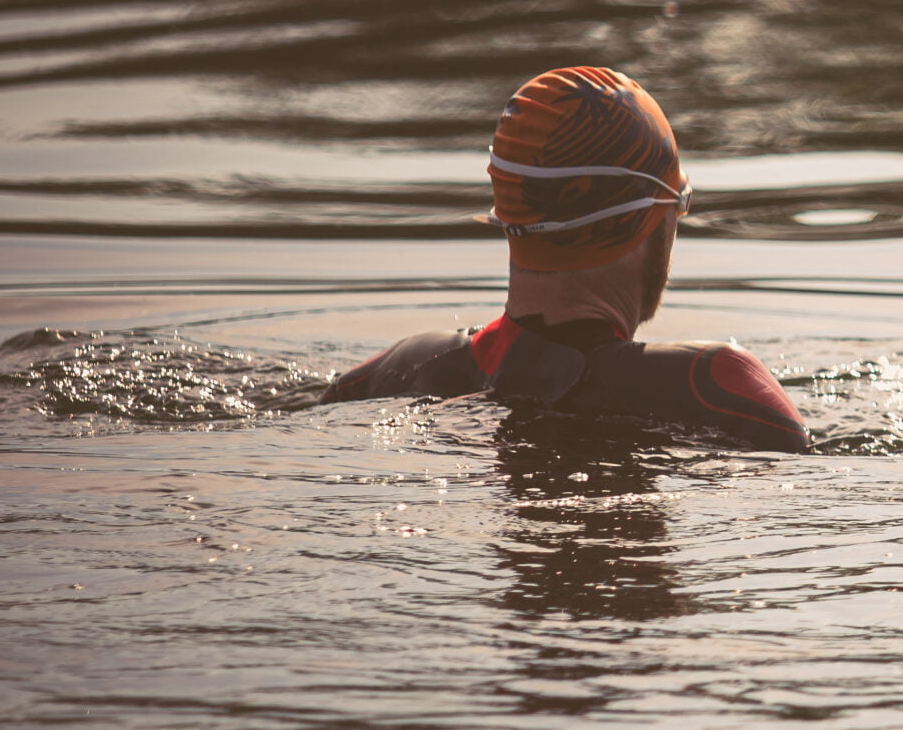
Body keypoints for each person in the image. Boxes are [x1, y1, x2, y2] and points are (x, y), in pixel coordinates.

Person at [322, 66, 808, 452]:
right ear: (646, 217)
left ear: (508, 214)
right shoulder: (715, 382)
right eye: (680, 203)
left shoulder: (400, 369)